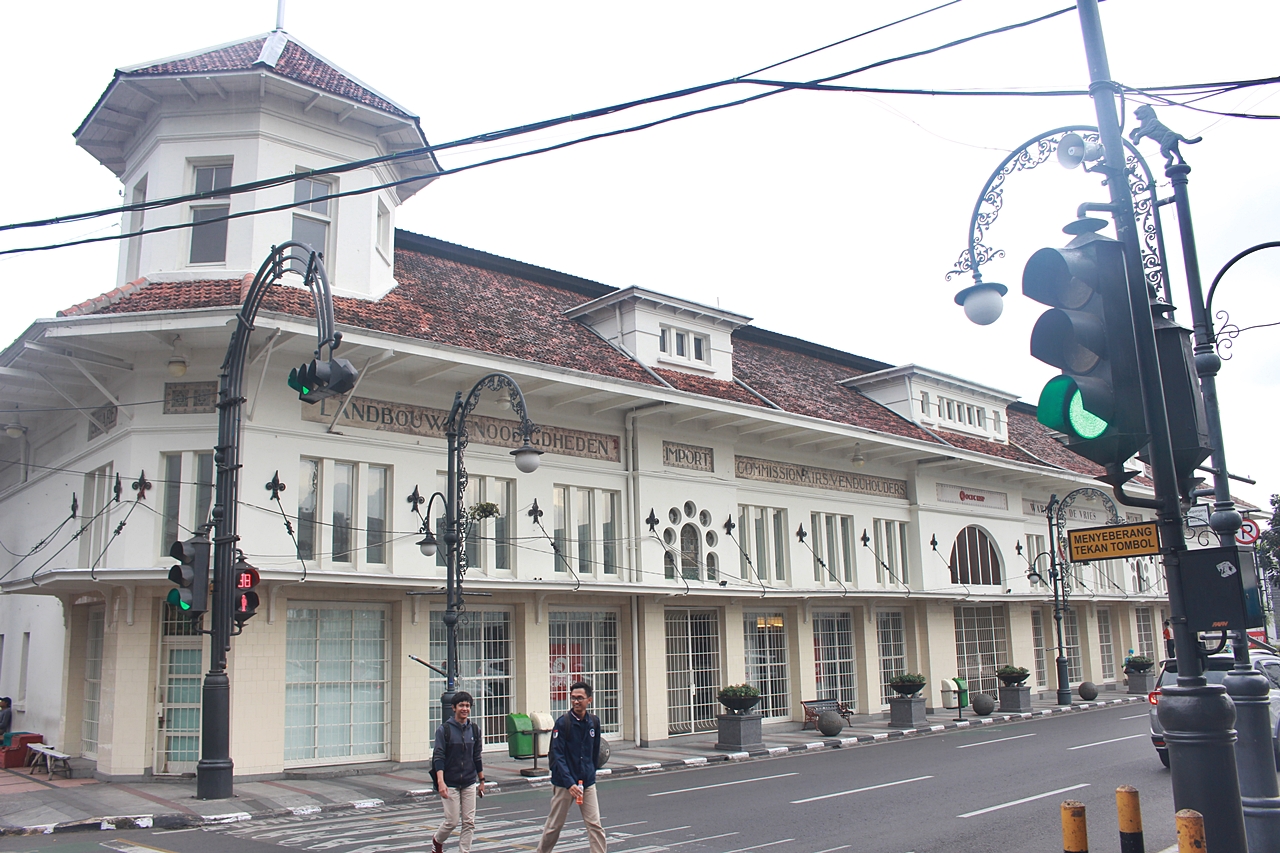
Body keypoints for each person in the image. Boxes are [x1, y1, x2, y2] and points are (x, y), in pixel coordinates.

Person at [536, 680, 606, 853]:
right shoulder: (563, 723)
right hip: (565, 784)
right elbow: (557, 755)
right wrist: (570, 783)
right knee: (554, 826)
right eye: (573, 698)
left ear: (589, 700)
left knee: (595, 825)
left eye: (580, 698)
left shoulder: (594, 723)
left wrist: (590, 774)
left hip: (586, 783)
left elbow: (595, 751)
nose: (576, 701)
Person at [431, 691, 484, 853]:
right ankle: (437, 840)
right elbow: (438, 757)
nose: (465, 709)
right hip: (450, 783)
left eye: (467, 706)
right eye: (461, 705)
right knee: (452, 821)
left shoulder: (474, 730)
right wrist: (441, 782)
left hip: (469, 781)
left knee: (469, 822)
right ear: (453, 708)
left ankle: (464, 851)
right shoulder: (444, 730)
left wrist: (481, 781)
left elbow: (477, 756)